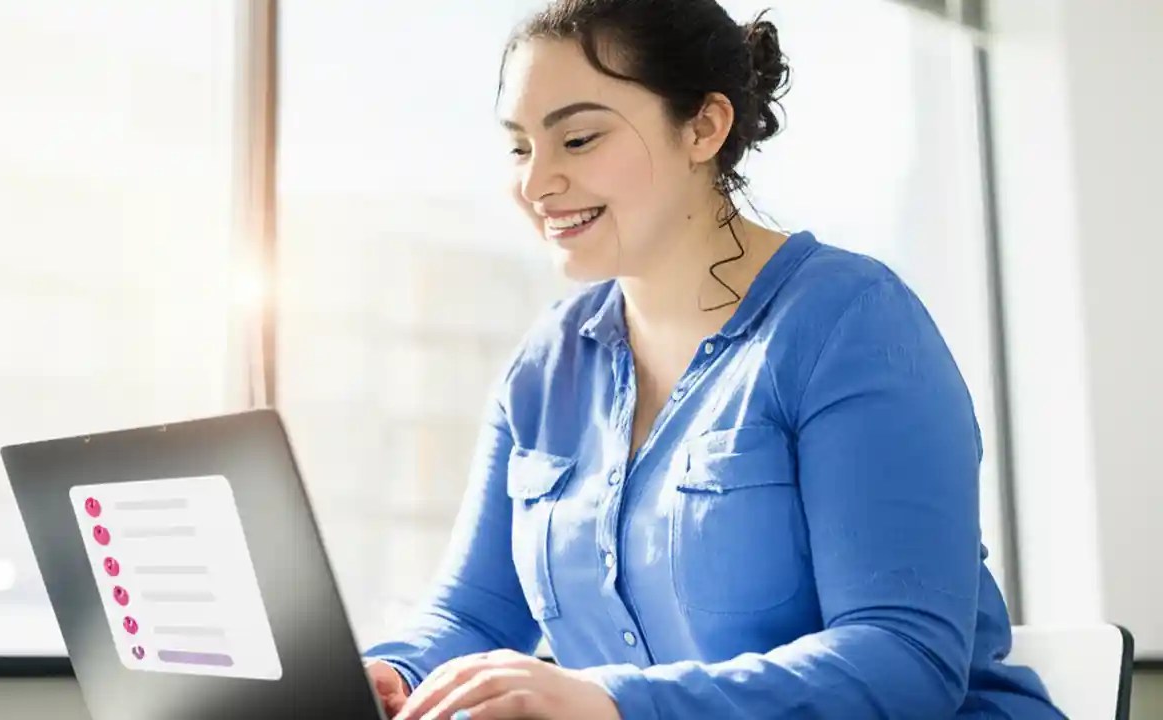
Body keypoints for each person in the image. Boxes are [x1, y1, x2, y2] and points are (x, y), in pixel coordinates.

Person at [361, 1, 1062, 717]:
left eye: (577, 139)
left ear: (703, 127)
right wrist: (394, 673)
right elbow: (474, 614)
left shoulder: (849, 323)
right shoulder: (545, 369)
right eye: (519, 148)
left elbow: (902, 657)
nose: (536, 184)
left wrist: (613, 703)